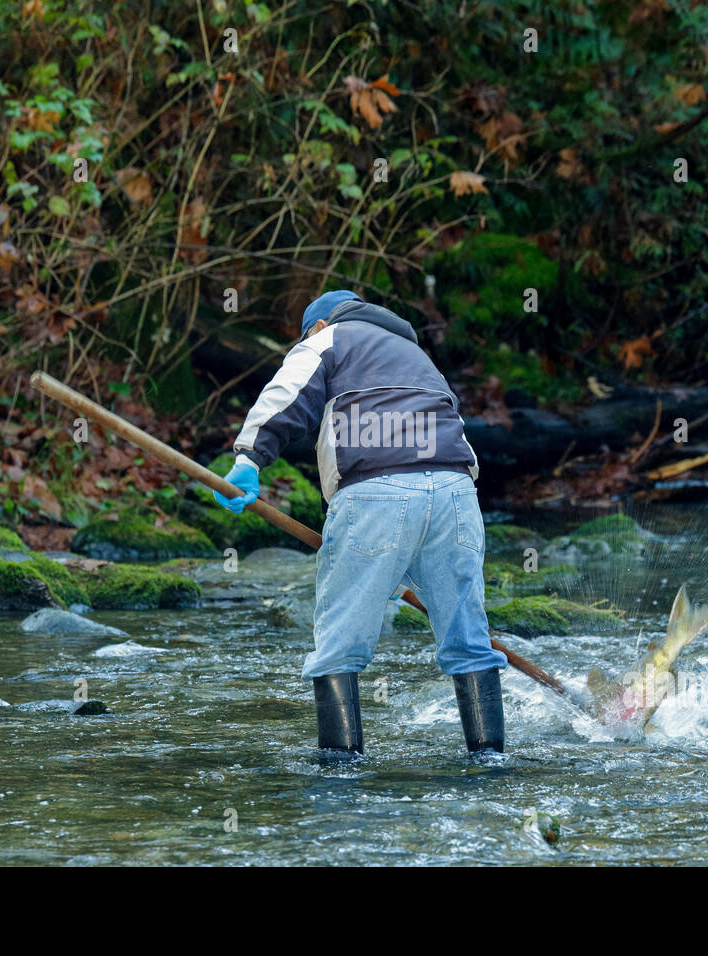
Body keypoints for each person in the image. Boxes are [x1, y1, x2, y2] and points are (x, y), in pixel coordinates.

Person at [212, 290, 508, 757]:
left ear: (316, 325)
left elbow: (286, 395)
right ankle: (490, 760)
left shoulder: (327, 338)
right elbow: (460, 440)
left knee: (339, 645)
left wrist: (249, 458)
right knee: (469, 641)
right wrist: (404, 559)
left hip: (375, 492)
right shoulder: (418, 356)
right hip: (456, 493)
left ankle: (340, 771)